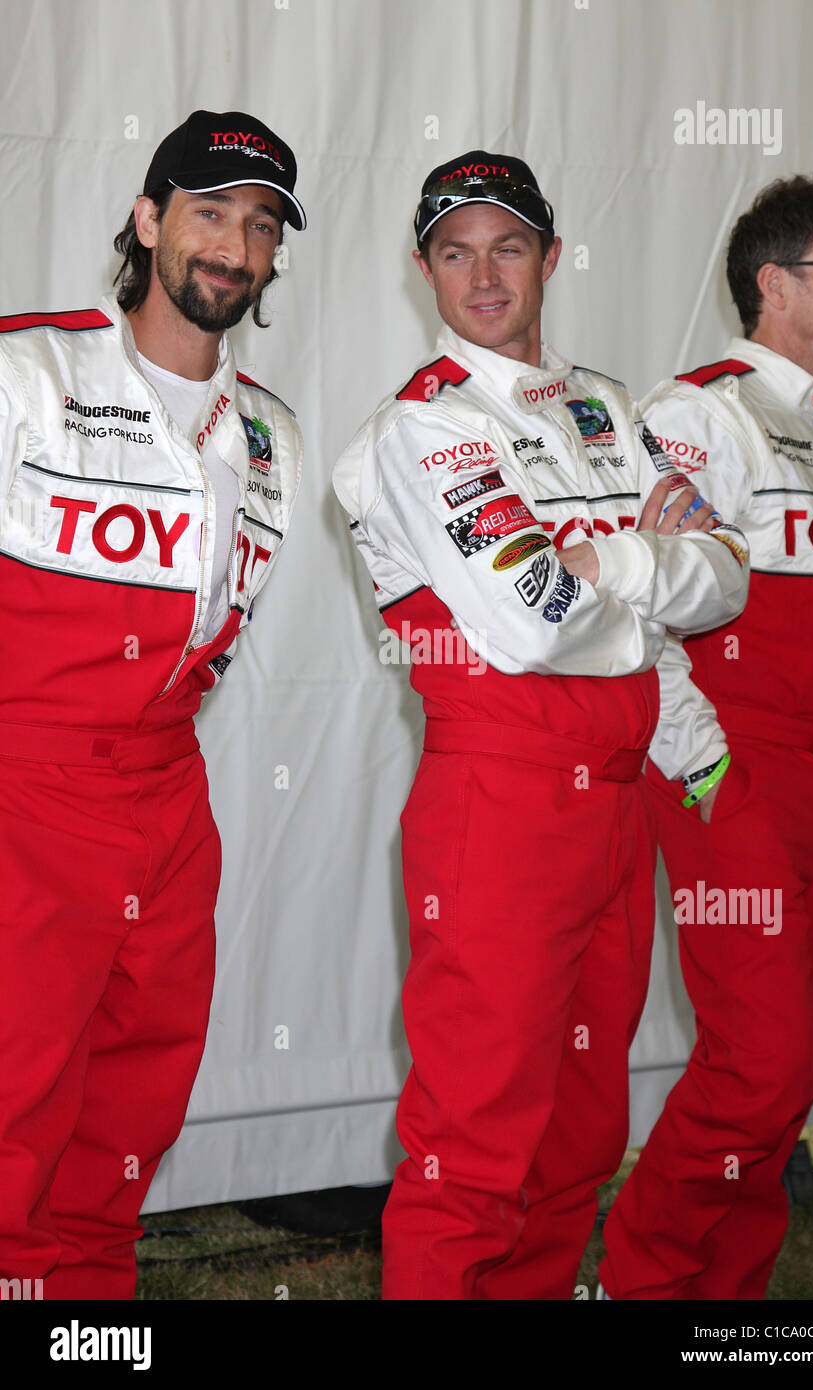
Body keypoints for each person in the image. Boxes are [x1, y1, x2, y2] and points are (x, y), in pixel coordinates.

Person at [332, 149, 749, 1300]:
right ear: (423, 269)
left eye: (506, 246)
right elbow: (532, 621)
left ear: (549, 258)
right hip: (498, 808)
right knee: (471, 1146)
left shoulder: (608, 408)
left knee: (577, 1137)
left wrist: (622, 560)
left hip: (614, 803)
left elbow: (725, 580)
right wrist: (661, 567)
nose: (481, 274)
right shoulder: (420, 429)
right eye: (454, 251)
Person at [0, 109, 305, 1300]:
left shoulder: (268, 430)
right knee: (16, 1092)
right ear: (149, 221)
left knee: (137, 1094)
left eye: (262, 224)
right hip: (28, 781)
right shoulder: (27, 371)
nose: (234, 245)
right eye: (211, 212)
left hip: (169, 792)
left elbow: (214, 627)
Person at [599, 175, 813, 1301]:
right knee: (756, 1062)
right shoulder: (696, 410)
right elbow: (639, 605)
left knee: (789, 1071)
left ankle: (726, 1307)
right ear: (772, 283)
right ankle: (641, 1282)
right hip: (735, 766)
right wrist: (700, 763)